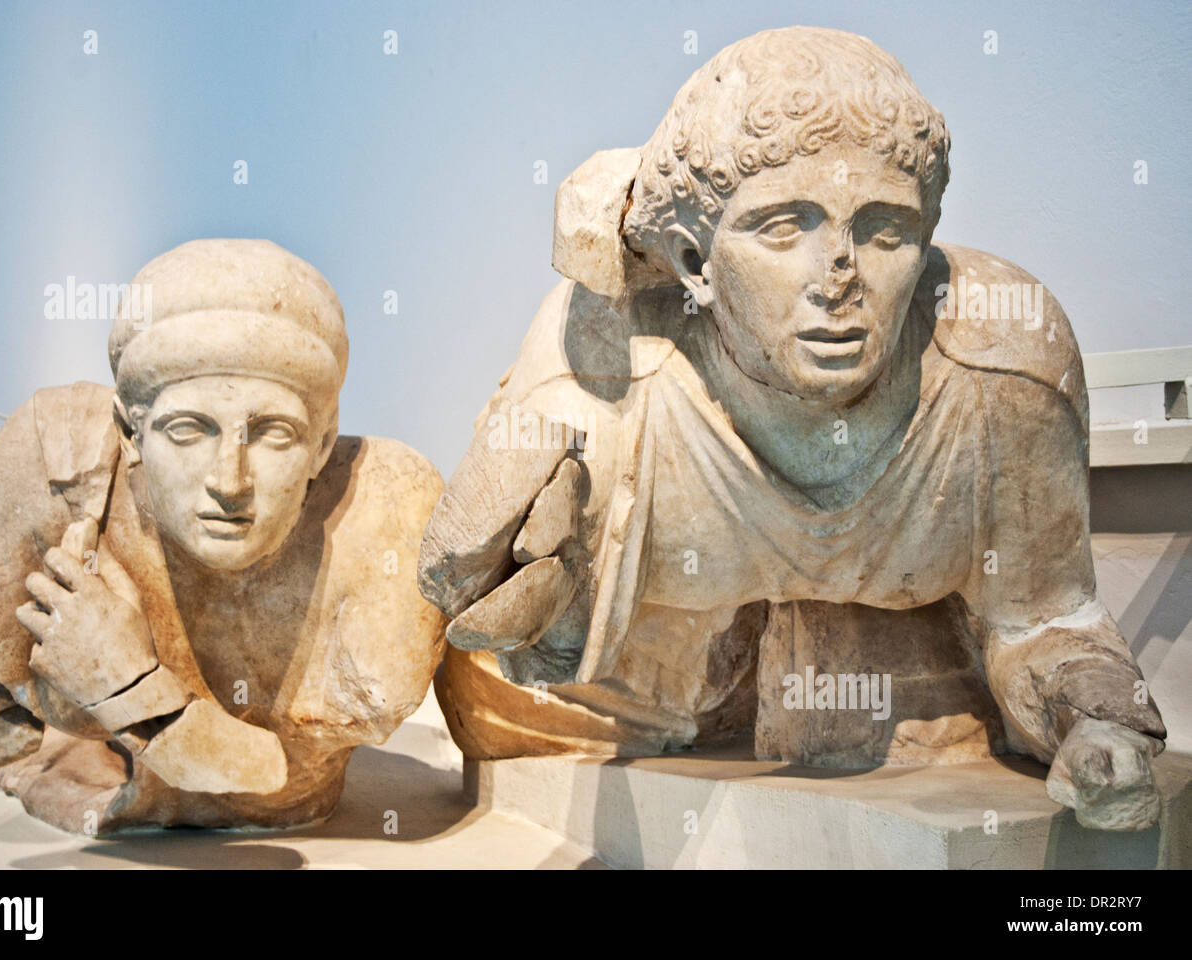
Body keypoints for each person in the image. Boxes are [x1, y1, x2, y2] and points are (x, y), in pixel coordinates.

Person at [418, 27, 1167, 830]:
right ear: (694, 262)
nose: (836, 276)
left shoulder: (1001, 368)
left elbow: (1048, 617)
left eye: (885, 230)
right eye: (782, 228)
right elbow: (496, 596)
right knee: (483, 693)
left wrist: (1097, 725)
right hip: (678, 681)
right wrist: (541, 582)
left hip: (922, 692)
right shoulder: (617, 358)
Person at [0, 238, 446, 833]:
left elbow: (273, 779)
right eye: (188, 429)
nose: (229, 481)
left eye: (273, 433)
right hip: (109, 778)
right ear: (129, 433)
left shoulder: (386, 515)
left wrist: (122, 680)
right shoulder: (58, 459)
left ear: (323, 443)